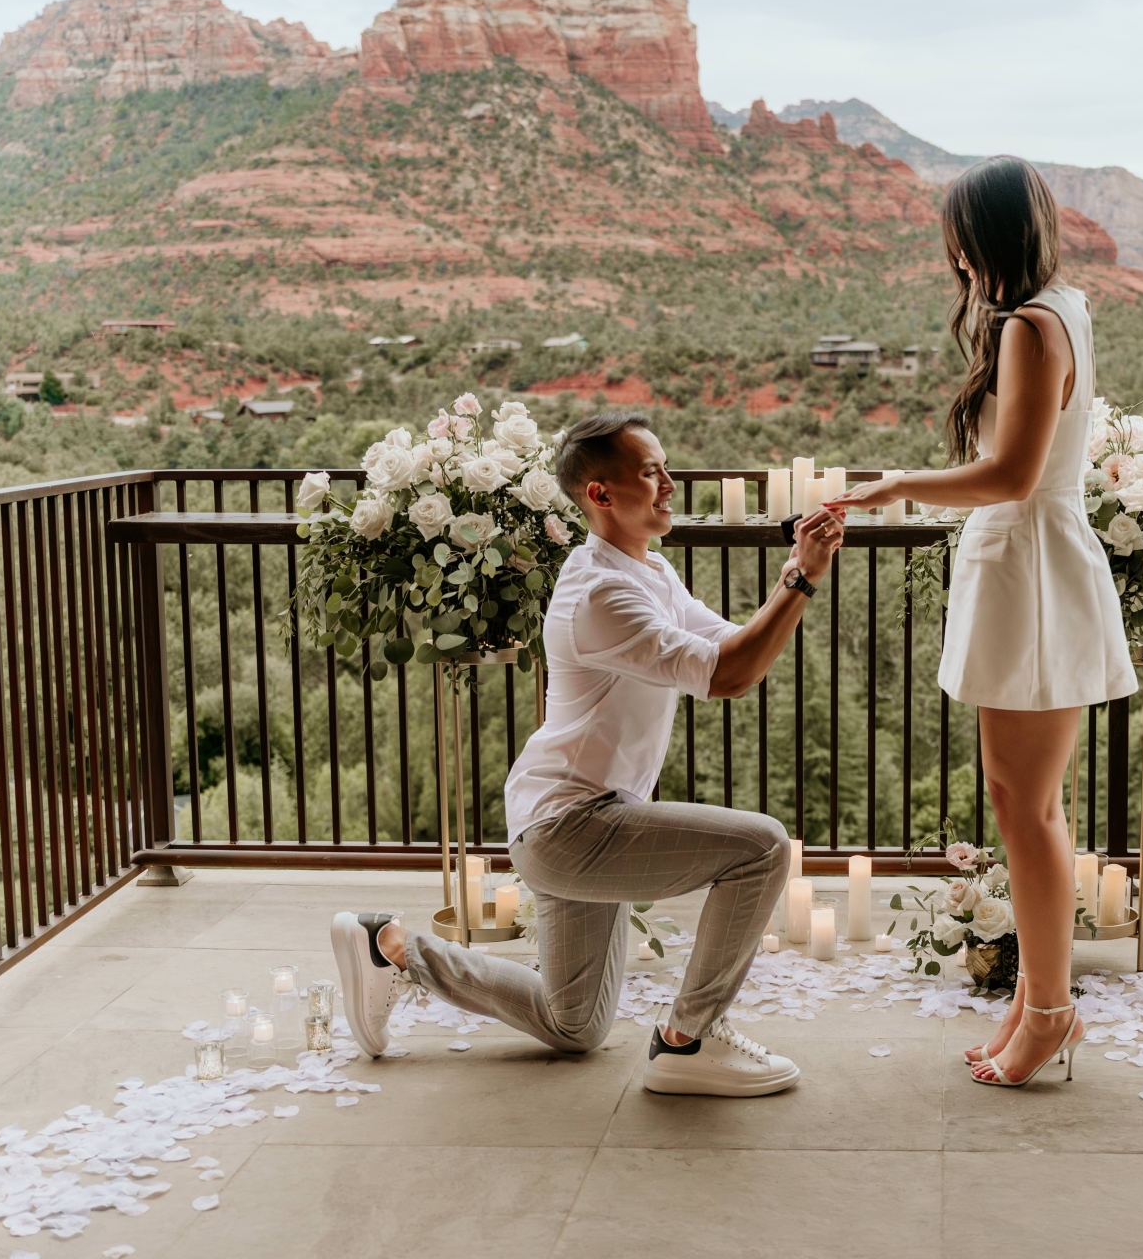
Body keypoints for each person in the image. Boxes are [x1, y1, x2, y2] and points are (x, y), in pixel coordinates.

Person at [331, 412, 844, 1097]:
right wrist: (801, 580)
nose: (670, 484)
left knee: (573, 1024)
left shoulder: (647, 569)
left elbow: (730, 648)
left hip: (575, 820)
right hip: (574, 826)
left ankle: (392, 947)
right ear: (600, 494)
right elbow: (730, 677)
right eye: (651, 473)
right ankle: (688, 1042)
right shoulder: (601, 594)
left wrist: (791, 579)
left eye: (665, 468)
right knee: (764, 848)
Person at [828, 156, 1136, 1089]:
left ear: (985, 237)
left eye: (958, 237)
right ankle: (1035, 1000)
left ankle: (1049, 1013)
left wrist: (896, 485)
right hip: (1025, 562)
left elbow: (1011, 474)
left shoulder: (1031, 327)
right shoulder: (1061, 308)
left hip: (1028, 565)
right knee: (1026, 805)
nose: (953, 254)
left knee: (1024, 808)